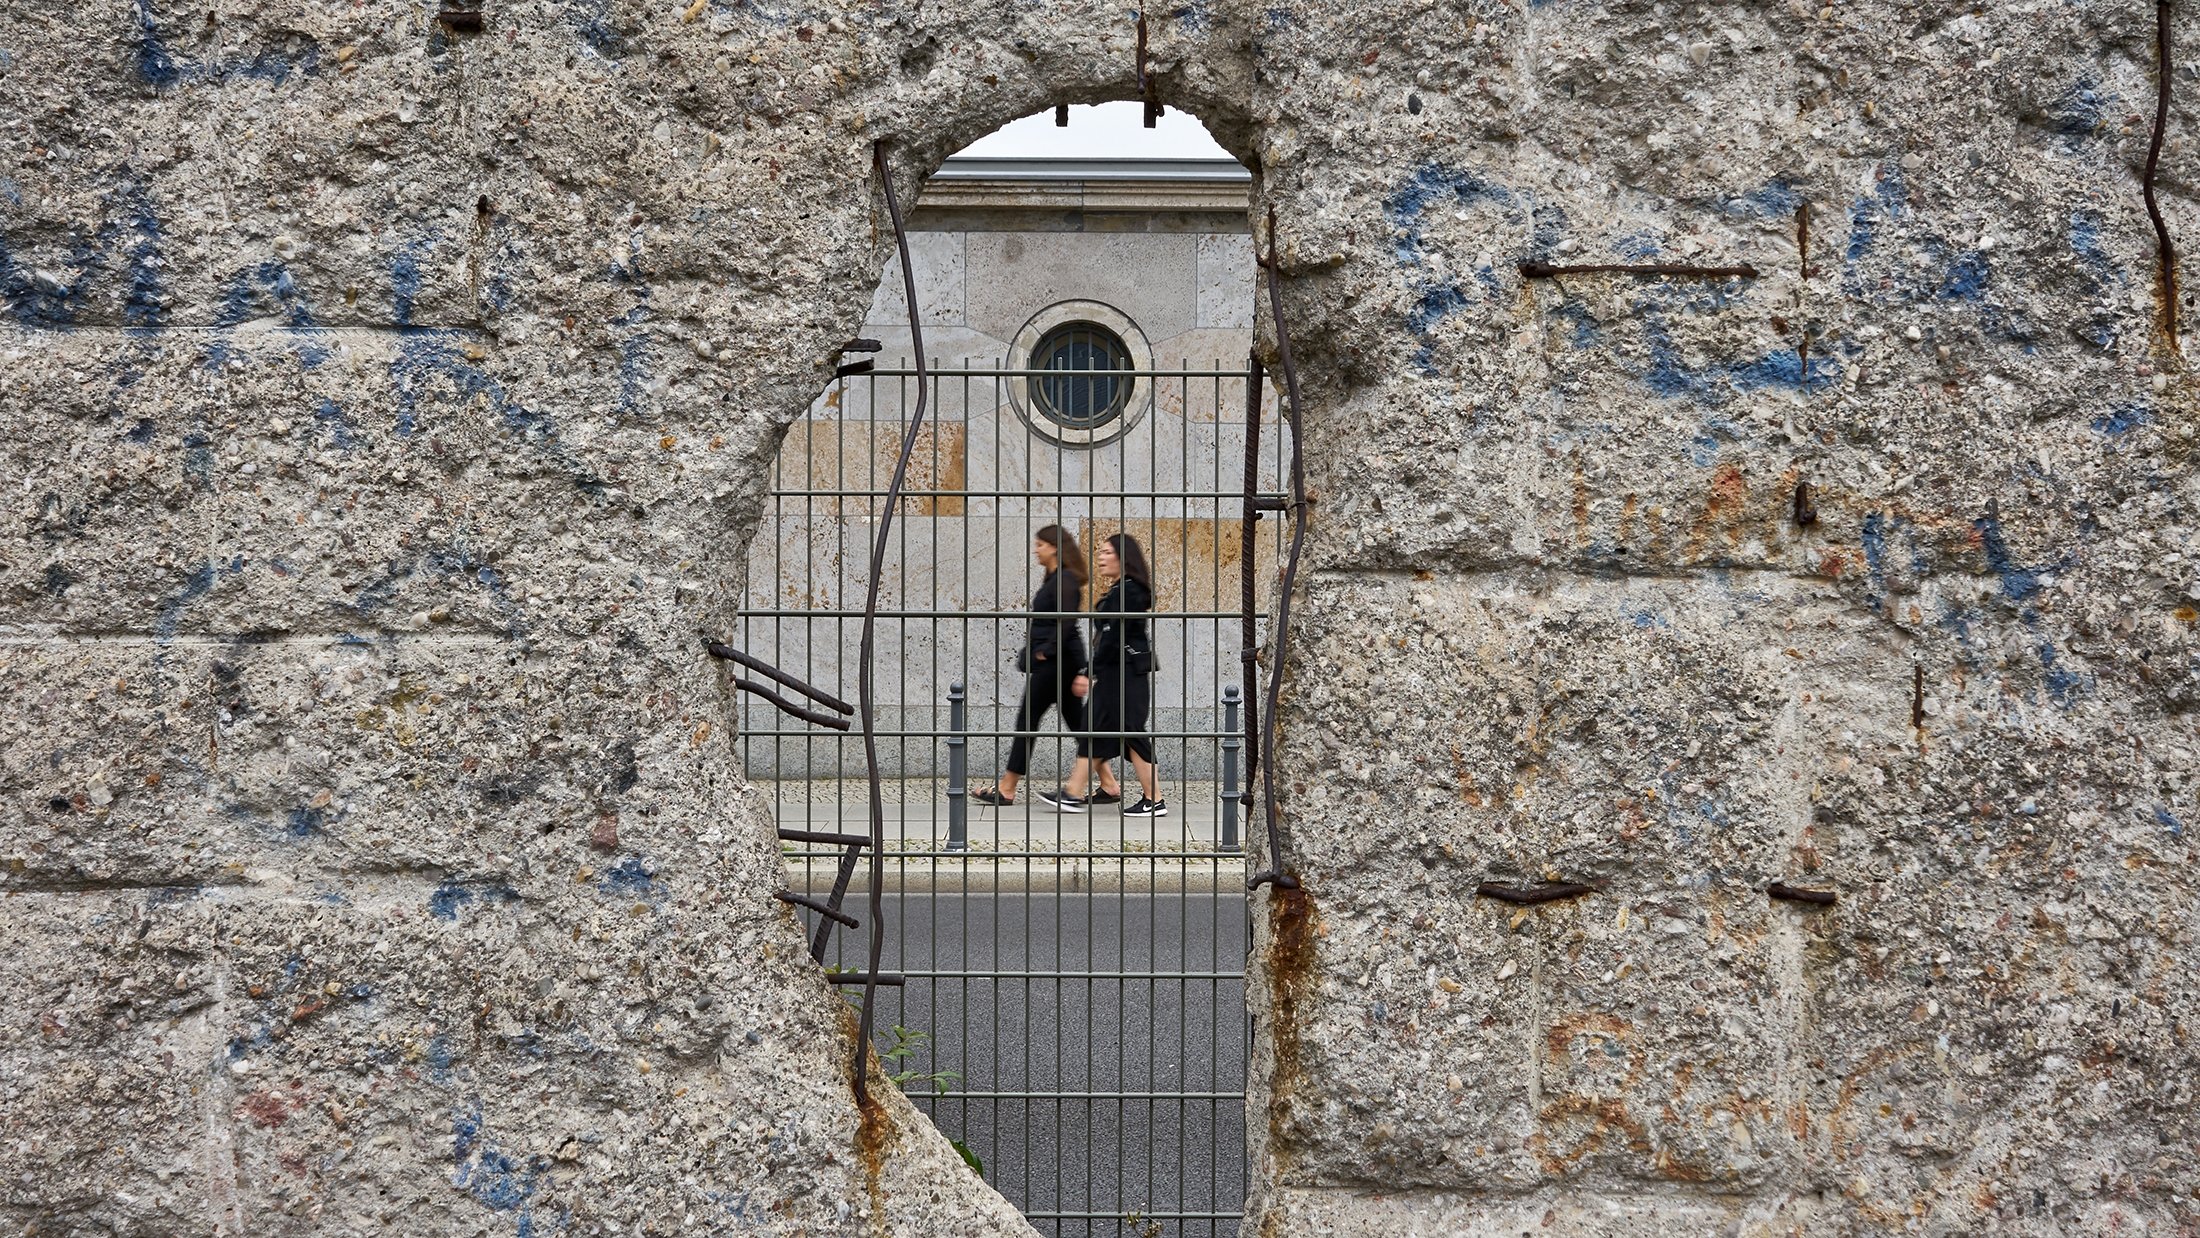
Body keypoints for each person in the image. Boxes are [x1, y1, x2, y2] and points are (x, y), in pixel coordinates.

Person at [1039, 533, 1166, 818]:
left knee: (1131, 732)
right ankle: (1074, 792)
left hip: (1124, 674)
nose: (1101, 556)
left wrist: (1088, 671)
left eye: (1107, 552)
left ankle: (1154, 799)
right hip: (1113, 672)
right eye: (1100, 551)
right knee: (1094, 728)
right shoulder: (1121, 589)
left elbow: (1113, 636)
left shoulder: (1129, 591)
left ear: (1124, 557)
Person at [972, 525, 1088, 807]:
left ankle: (1007, 788)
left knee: (1027, 720)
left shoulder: (1066, 580)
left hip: (1058, 663)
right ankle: (1109, 785)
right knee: (1079, 725)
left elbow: (1067, 621)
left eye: (1040, 545)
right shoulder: (1056, 579)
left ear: (1055, 548)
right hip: (1060, 661)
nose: (1036, 549)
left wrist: (1043, 652)